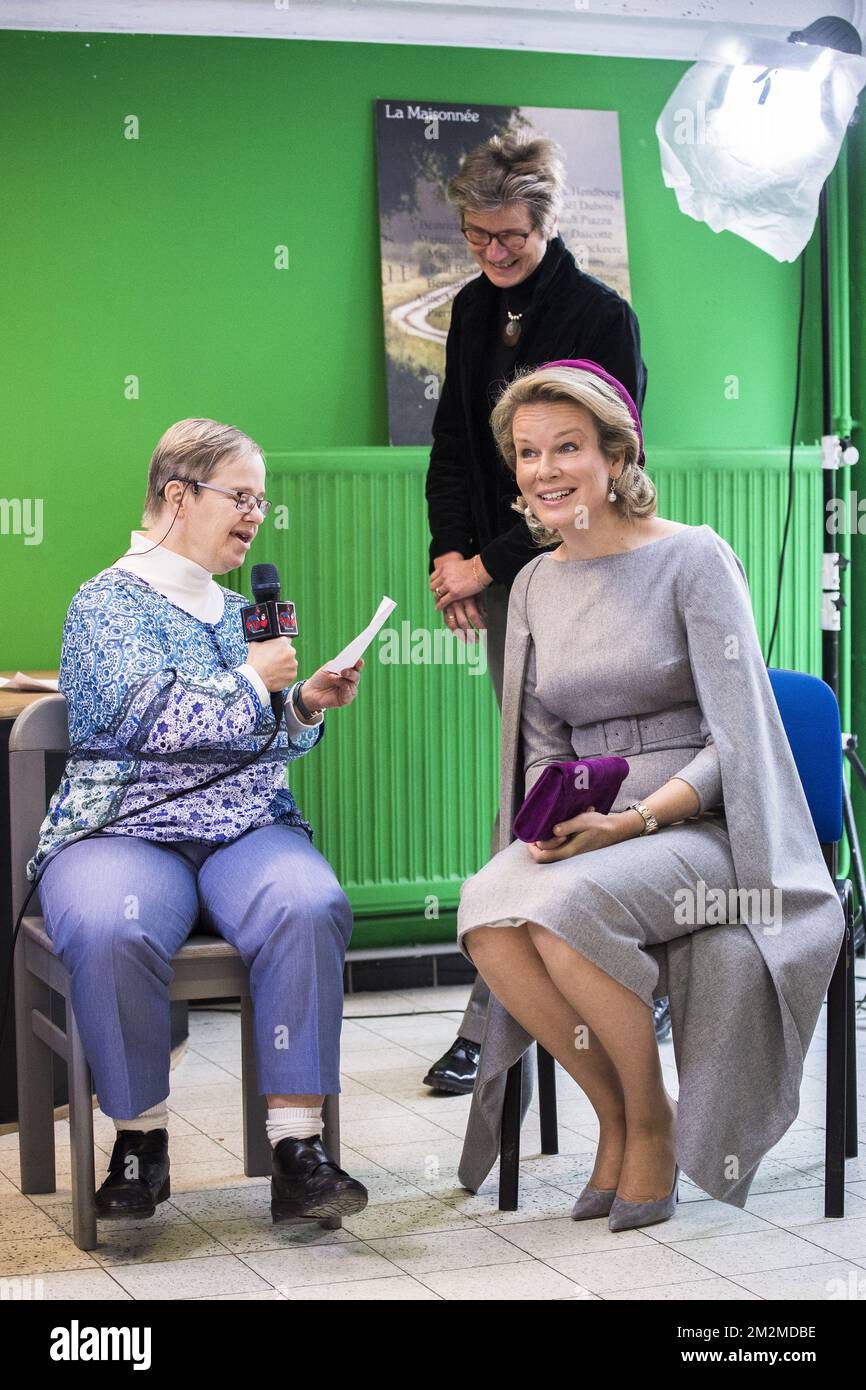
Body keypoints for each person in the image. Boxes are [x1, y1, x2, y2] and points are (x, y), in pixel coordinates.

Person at [454, 360, 846, 1229]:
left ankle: (655, 1134)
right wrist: (549, 824)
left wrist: (634, 818)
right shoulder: (533, 587)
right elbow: (540, 745)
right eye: (526, 453)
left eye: (566, 448)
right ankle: (625, 1114)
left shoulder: (693, 558)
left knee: (562, 913)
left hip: (704, 822)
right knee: (488, 909)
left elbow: (739, 736)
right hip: (591, 823)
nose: (545, 471)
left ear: (616, 456)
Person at [29, 418, 369, 1224]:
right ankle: (140, 1143)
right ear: (177, 495)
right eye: (241, 496)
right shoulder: (103, 603)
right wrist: (258, 682)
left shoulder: (235, 610)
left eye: (263, 499)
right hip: (121, 828)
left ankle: (298, 1148)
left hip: (243, 827)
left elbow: (257, 740)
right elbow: (153, 717)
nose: (257, 514)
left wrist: (302, 706)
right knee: (114, 926)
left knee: (308, 903)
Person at [424, 132, 655, 1092]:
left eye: (507, 235)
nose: (490, 253)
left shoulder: (601, 315)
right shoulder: (473, 310)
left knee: (588, 785)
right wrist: (449, 553)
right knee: (531, 791)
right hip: (503, 579)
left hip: (591, 575)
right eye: (476, 235)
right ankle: (509, 1007)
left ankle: (584, 990)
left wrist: (491, 560)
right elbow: (453, 448)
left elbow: (599, 470)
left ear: (547, 222)